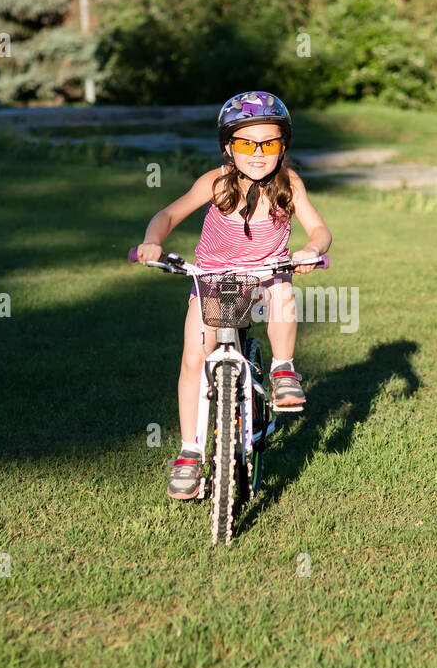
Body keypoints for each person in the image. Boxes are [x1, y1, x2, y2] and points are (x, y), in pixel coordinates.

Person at [134, 91, 332, 500]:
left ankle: (282, 370)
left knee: (281, 290)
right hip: (218, 280)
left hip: (266, 275)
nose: (258, 153)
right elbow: (168, 214)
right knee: (194, 357)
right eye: (246, 143)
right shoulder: (217, 182)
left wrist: (312, 250)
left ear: (283, 146)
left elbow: (319, 229)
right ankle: (190, 452)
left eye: (269, 143)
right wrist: (153, 241)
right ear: (228, 145)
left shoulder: (289, 184)